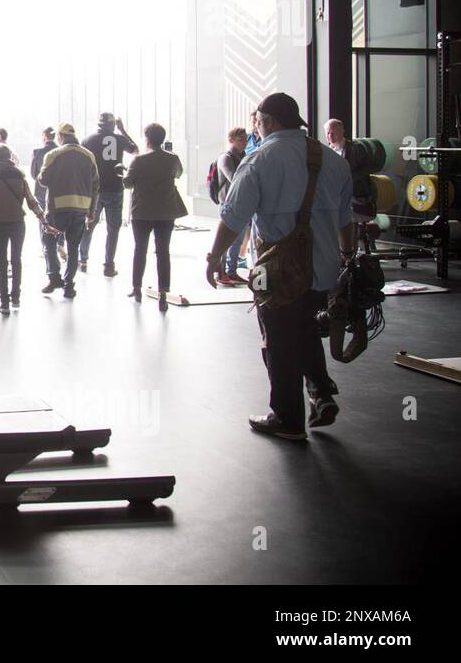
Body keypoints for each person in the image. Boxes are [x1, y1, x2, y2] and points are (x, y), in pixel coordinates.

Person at [206, 92, 353, 441]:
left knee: (278, 340)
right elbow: (347, 218)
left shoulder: (260, 159)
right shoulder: (333, 161)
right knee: (303, 329)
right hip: (324, 267)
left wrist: (214, 258)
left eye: (257, 121)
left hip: (276, 270)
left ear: (268, 121)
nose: (255, 127)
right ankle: (320, 393)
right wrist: (348, 258)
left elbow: (233, 217)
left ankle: (286, 418)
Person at [123, 123, 187, 312]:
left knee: (140, 250)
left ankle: (136, 288)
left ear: (147, 138)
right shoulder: (173, 159)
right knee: (163, 252)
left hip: (142, 212)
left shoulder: (138, 160)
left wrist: (123, 172)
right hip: (166, 211)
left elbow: (128, 184)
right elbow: (179, 174)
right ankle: (163, 294)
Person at [0, 143, 50, 314]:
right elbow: (32, 202)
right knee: (16, 259)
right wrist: (44, 220)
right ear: (9, 157)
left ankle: (4, 303)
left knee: (2, 263)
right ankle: (16, 297)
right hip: (17, 223)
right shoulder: (20, 177)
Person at [38, 122, 98, 299]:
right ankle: (68, 285)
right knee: (73, 248)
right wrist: (92, 211)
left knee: (48, 243)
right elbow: (96, 185)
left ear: (61, 137)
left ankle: (54, 277)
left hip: (57, 208)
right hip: (80, 208)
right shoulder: (89, 155)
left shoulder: (53, 154)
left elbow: (43, 179)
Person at [80, 112, 138, 277]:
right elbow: (135, 150)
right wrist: (123, 131)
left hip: (95, 190)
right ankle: (108, 265)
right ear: (114, 125)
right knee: (113, 229)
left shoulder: (88, 140)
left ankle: (82, 260)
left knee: (88, 226)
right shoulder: (119, 139)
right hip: (115, 188)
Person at [216, 128, 249, 286]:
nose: (244, 141)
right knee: (225, 240)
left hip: (241, 203)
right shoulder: (225, 158)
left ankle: (231, 272)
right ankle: (221, 272)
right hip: (228, 204)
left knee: (238, 240)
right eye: (240, 139)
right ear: (231, 140)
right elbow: (234, 178)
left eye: (245, 138)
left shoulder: (245, 156)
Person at [29, 126, 64, 266]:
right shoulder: (61, 151)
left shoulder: (37, 152)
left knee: (42, 218)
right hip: (59, 190)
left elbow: (33, 174)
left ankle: (45, 245)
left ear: (44, 136)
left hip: (41, 190)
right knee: (60, 217)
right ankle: (60, 243)